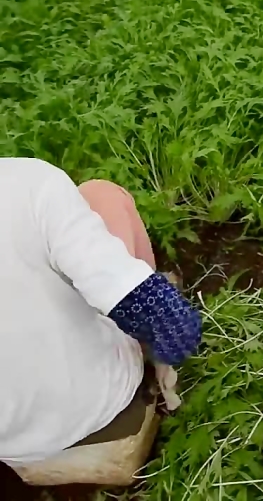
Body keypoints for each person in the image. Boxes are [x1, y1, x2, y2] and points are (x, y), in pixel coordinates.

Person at [0, 158, 202, 465]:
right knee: (102, 195)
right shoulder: (27, 184)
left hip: (10, 445)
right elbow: (166, 318)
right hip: (102, 401)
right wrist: (162, 325)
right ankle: (156, 372)